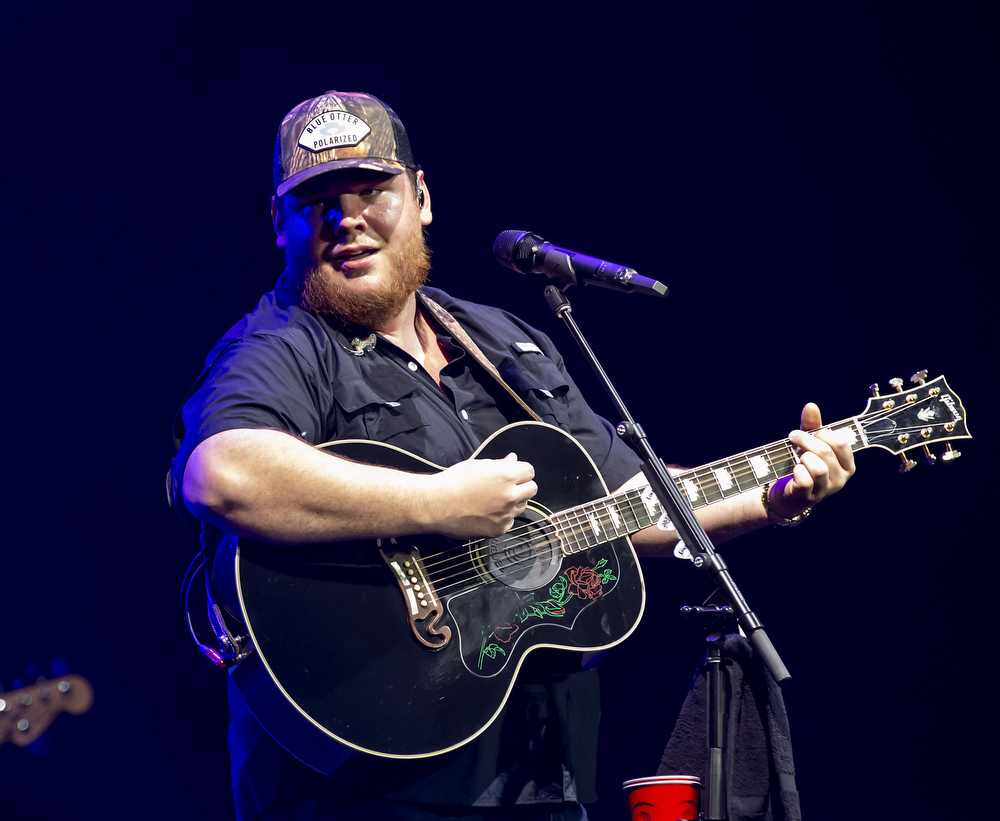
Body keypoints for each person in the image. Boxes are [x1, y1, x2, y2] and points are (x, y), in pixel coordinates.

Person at [170, 91, 856, 821]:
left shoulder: (503, 343)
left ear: (422, 197)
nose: (349, 219)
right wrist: (437, 504)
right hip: (359, 787)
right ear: (281, 224)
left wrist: (776, 495)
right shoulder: (279, 345)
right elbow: (223, 474)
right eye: (317, 203)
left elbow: (630, 503)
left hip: (536, 775)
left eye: (373, 191)